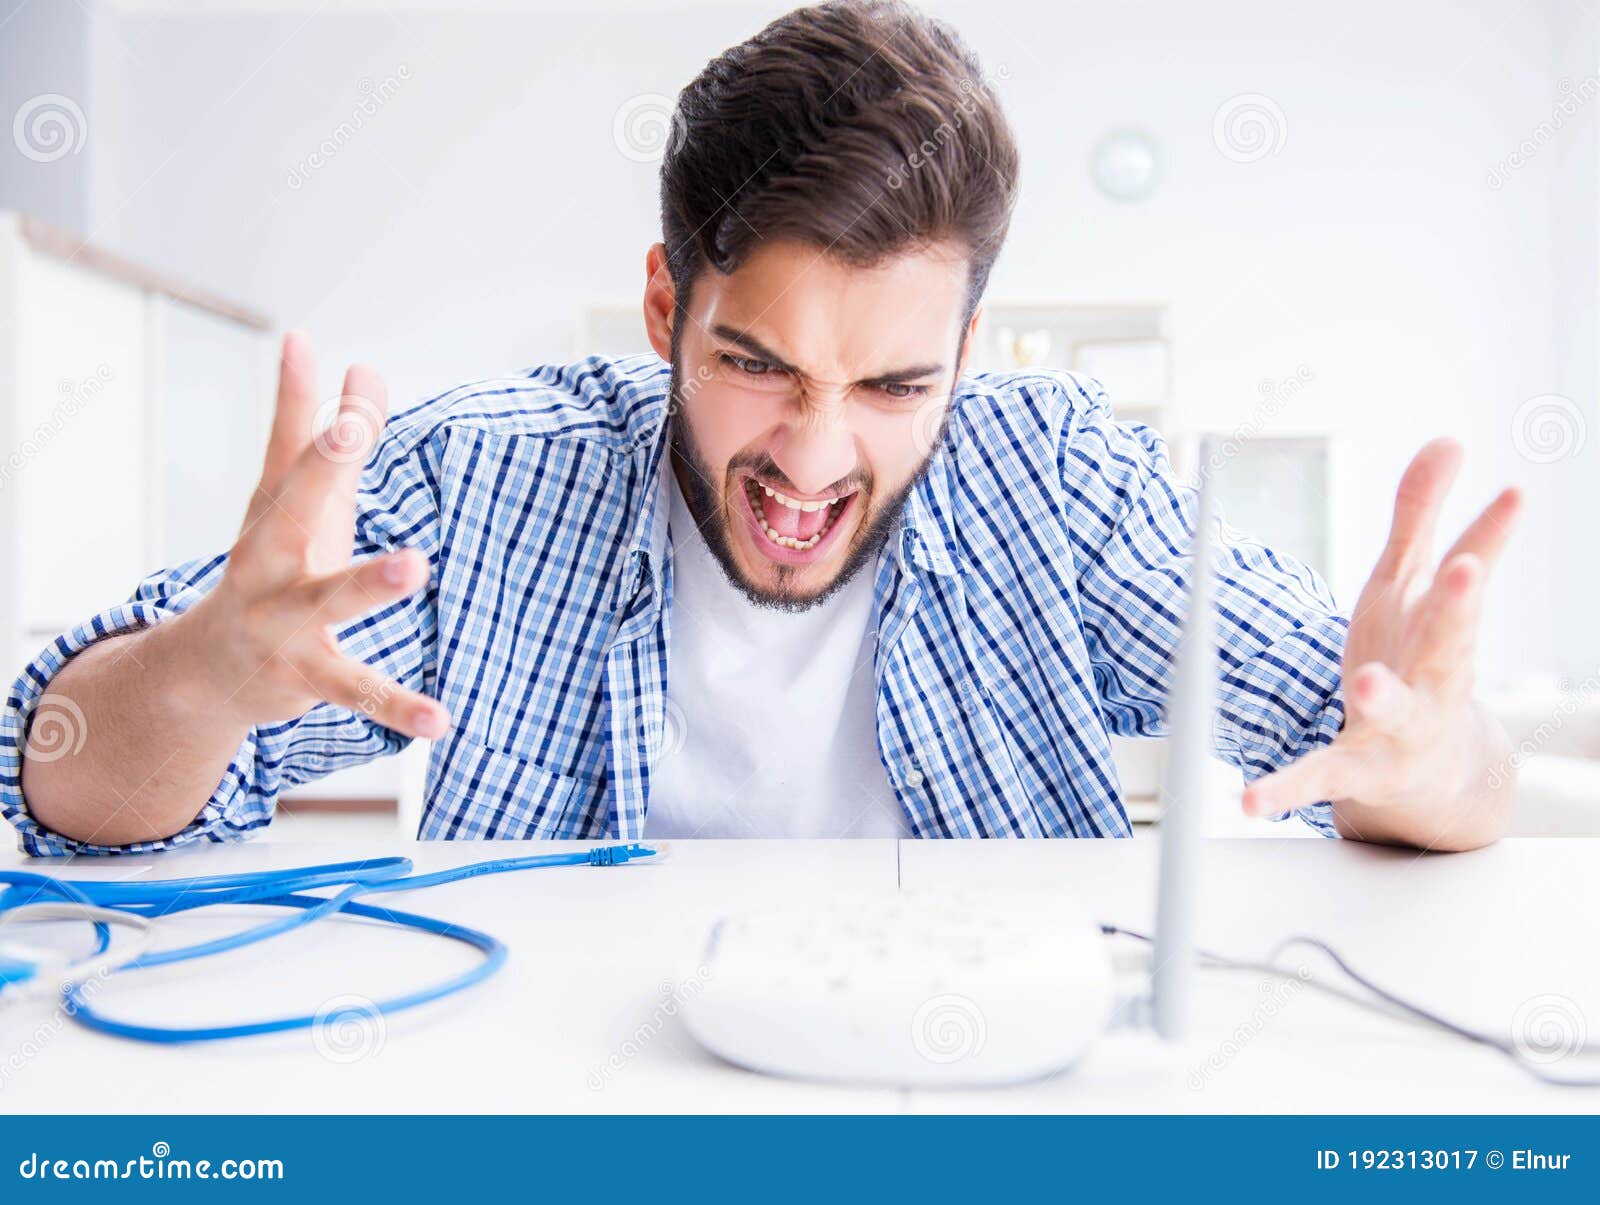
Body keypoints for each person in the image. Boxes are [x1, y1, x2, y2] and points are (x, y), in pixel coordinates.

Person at [3, 0, 1520, 856]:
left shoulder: (1055, 479)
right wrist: (201, 677)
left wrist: (1433, 757)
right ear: (666, 305)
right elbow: (60, 781)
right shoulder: (488, 483)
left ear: (968, 353)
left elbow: (1418, 775)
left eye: (892, 387)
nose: (810, 457)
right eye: (758, 363)